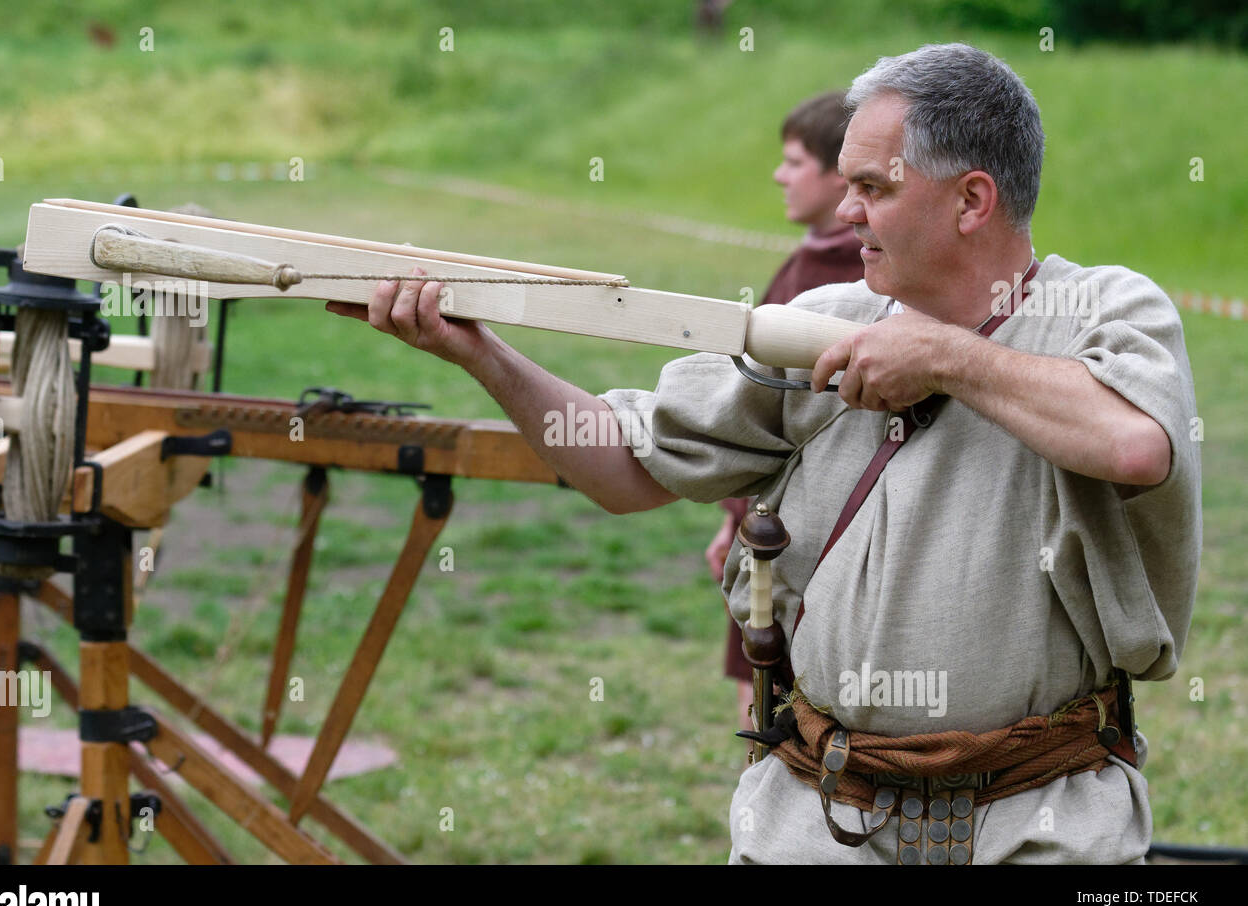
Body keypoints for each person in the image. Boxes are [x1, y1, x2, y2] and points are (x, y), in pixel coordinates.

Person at [326, 43, 1200, 864]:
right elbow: (623, 468)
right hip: (822, 819)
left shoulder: (1105, 311)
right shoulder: (831, 321)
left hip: (1040, 826)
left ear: (972, 201)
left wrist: (939, 356)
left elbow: (1132, 444)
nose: (845, 210)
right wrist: (480, 352)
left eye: (872, 187)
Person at [708, 90, 864, 735]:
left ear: (840, 174)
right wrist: (732, 519)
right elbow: (757, 410)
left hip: (821, 538)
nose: (779, 174)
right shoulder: (802, 262)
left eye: (795, 161)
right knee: (757, 705)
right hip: (765, 528)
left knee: (806, 721)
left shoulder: (863, 279)